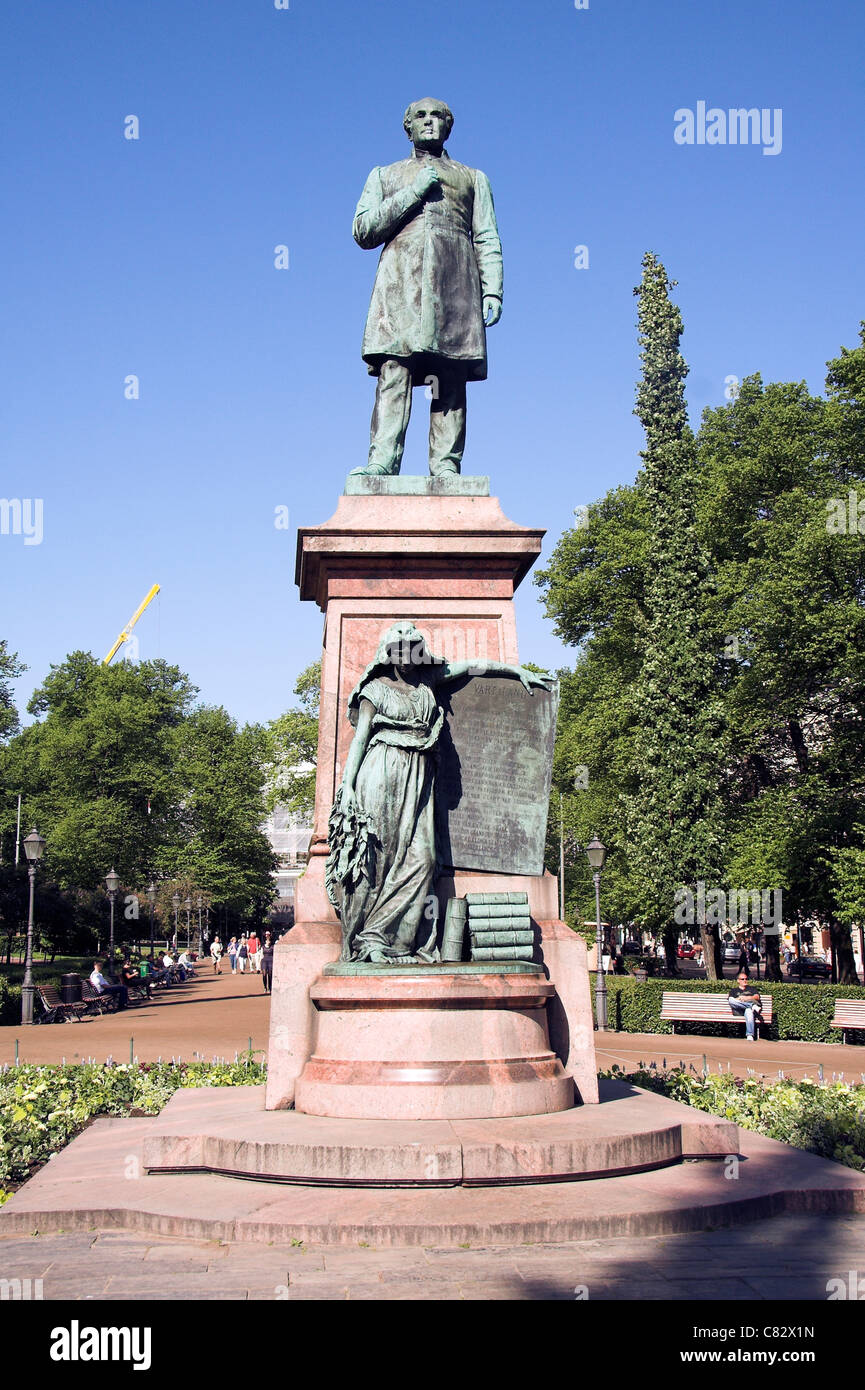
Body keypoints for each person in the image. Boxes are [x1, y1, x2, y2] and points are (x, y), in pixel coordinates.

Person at [328, 620, 550, 963]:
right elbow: (359, 741)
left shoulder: (429, 679)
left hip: (420, 777)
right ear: (388, 654)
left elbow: (473, 667)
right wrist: (348, 785)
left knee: (424, 859)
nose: (405, 659)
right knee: (380, 859)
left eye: (412, 653)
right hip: (382, 774)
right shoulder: (374, 690)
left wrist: (515, 671)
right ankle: (369, 942)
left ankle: (395, 941)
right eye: (398, 653)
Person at [351, 99, 502, 478]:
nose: (429, 122)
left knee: (449, 374)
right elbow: (363, 230)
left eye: (438, 116)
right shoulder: (384, 175)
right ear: (408, 127)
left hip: (455, 284)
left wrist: (493, 289)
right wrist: (414, 191)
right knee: (394, 369)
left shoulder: (473, 177)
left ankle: (446, 466)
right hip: (399, 286)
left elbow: (486, 236)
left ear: (448, 126)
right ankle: (382, 461)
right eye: (421, 116)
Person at [728, 970, 763, 1041]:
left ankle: (750, 1035)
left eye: (746, 979)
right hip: (738, 1010)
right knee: (731, 1000)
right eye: (742, 979)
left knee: (749, 1011)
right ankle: (752, 1006)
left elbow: (757, 997)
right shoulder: (734, 990)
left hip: (748, 1011)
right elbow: (732, 1001)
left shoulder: (752, 989)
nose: (745, 980)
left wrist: (747, 998)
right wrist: (740, 999)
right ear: (738, 981)